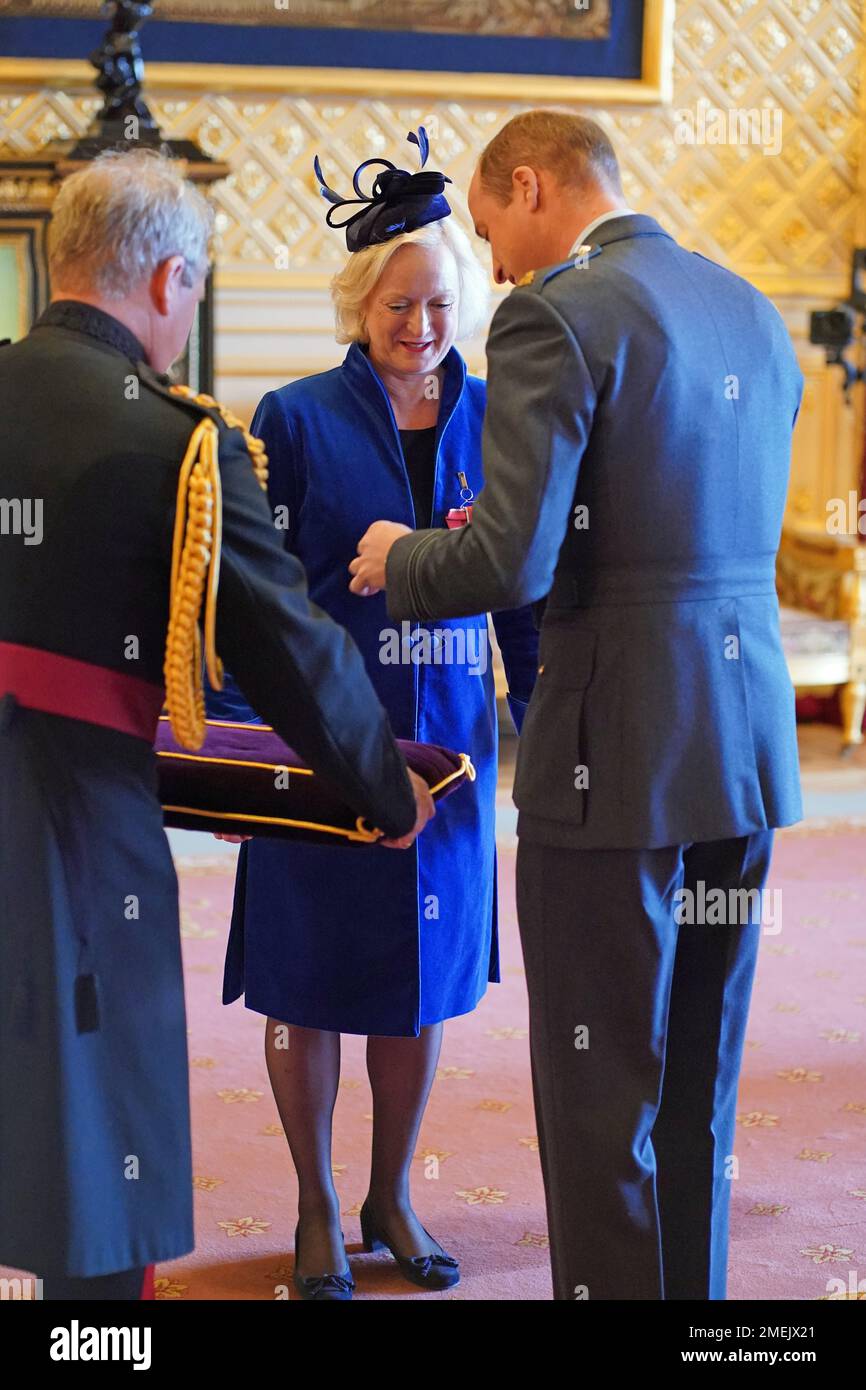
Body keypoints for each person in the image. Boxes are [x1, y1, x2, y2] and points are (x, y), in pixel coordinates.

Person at [350, 109, 804, 1301]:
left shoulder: (554, 313)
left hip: (612, 753)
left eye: (492, 224)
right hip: (743, 745)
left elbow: (508, 563)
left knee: (601, 1096)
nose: (492, 259)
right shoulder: (748, 309)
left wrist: (398, 553)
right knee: (699, 1078)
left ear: (532, 183)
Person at [0, 148, 433, 1302]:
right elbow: (289, 649)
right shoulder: (175, 442)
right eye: (193, 291)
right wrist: (383, 793)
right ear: (166, 279)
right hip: (68, 822)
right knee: (92, 1123)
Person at [207, 128, 538, 1298]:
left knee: (416, 984)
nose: (420, 326)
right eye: (398, 304)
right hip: (319, 746)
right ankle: (309, 1208)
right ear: (359, 303)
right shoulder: (291, 420)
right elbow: (248, 599)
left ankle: (391, 1195)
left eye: (439, 303)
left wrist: (546, 736)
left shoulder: (501, 415)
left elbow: (521, 589)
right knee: (306, 983)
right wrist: (243, 757)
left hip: (445, 752)